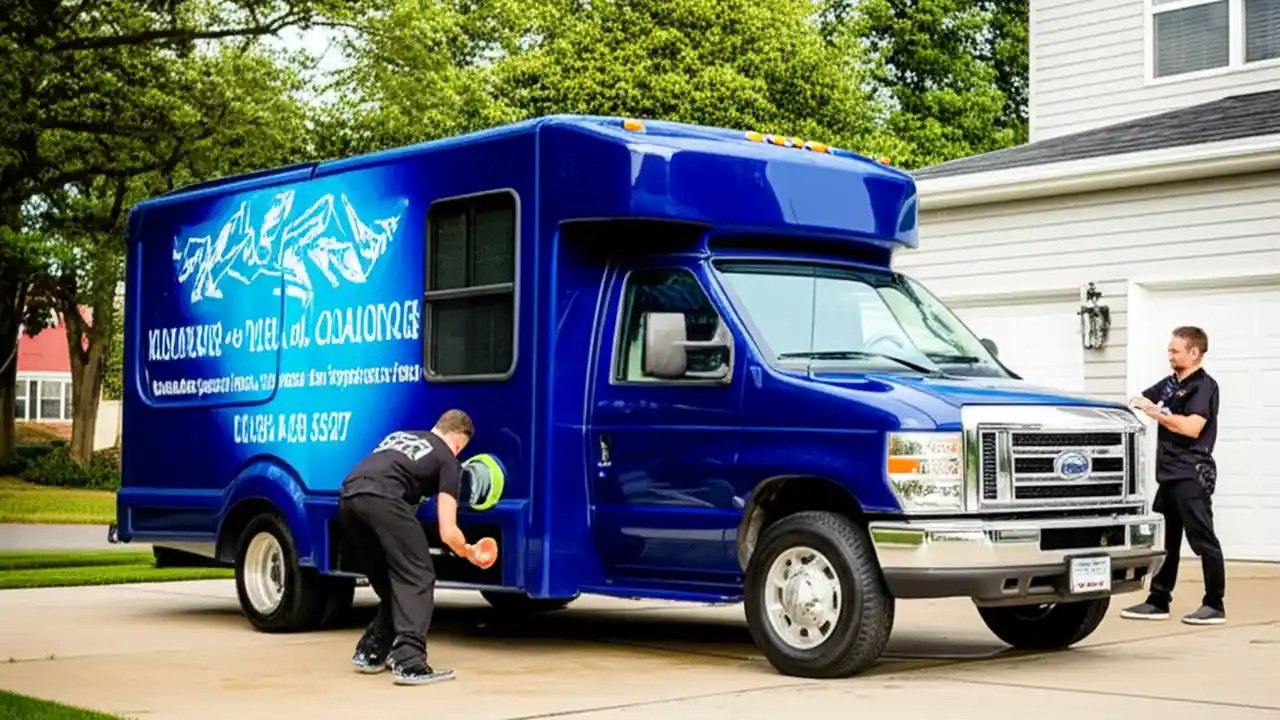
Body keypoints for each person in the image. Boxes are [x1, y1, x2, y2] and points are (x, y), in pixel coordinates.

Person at [337, 409, 487, 685]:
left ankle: (371, 651)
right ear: (459, 443)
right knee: (418, 575)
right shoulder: (447, 459)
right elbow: (448, 530)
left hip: (348, 499)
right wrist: (469, 551)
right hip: (383, 500)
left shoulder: (401, 437)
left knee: (396, 584)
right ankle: (410, 663)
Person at [1120, 326, 1225, 625]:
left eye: (1175, 350)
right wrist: (1144, 404)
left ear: (1194, 353)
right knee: (1166, 543)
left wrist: (1155, 412)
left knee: (1203, 540)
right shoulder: (1170, 384)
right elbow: (1138, 399)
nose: (1170, 355)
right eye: (1169, 350)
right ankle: (1158, 601)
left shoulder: (1204, 386)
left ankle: (1214, 604)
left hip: (1191, 473)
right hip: (1167, 475)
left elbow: (1192, 427)